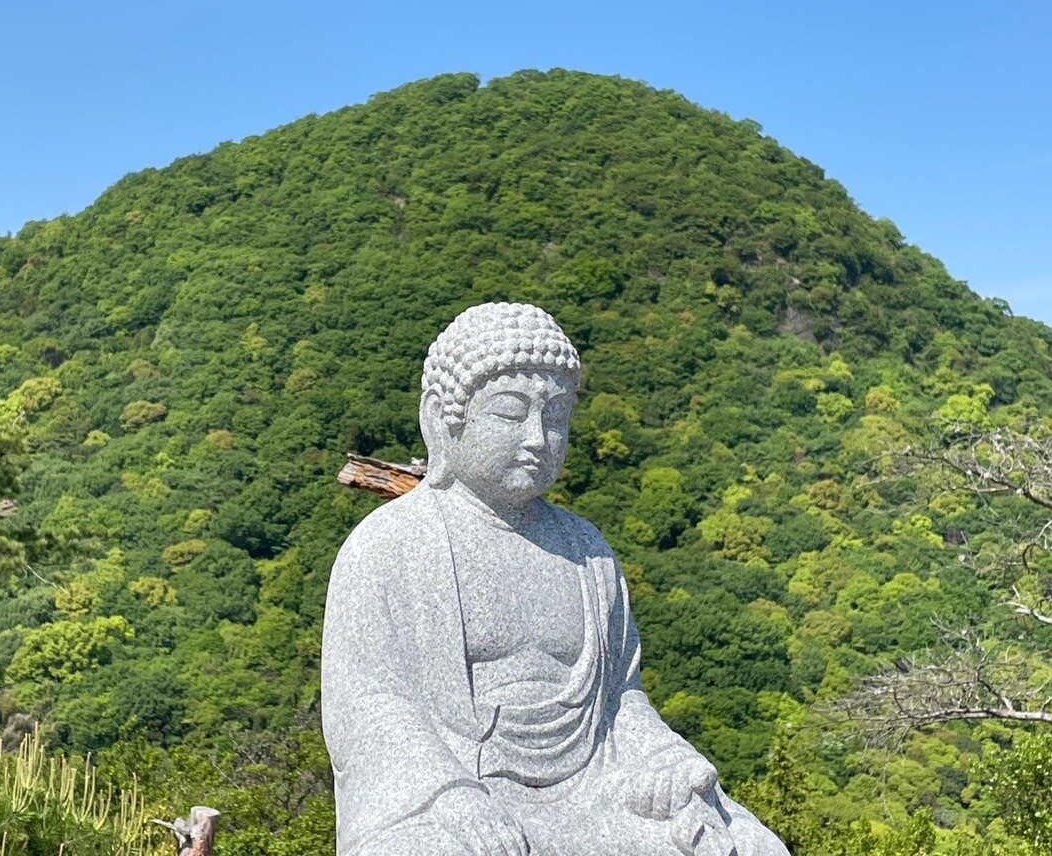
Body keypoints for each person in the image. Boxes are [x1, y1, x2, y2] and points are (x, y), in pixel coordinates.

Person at [321, 302, 789, 856]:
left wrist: (662, 755)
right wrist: (447, 795)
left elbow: (621, 698)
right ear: (443, 418)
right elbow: (368, 703)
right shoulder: (391, 544)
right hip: (451, 781)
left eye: (557, 415)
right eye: (509, 412)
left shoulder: (588, 551)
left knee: (747, 846)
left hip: (596, 785)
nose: (538, 438)